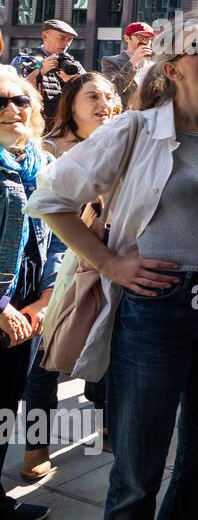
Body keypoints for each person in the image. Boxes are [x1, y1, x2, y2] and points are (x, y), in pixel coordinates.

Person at [30, 18, 198, 520]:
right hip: (157, 307)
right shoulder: (134, 130)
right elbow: (52, 199)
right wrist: (110, 263)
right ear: (173, 67)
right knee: (140, 452)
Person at [18, 72, 120, 482]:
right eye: (92, 96)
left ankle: (111, 423)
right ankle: (35, 445)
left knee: (112, 346)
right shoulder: (48, 150)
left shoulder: (125, 146)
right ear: (72, 104)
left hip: (109, 267)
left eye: (110, 96)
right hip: (57, 271)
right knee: (46, 359)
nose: (105, 104)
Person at [0, 69, 67, 520]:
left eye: (21, 100)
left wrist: (44, 299)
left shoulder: (41, 165)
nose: (11, 109)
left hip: (26, 308)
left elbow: (57, 241)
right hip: (4, 308)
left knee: (5, 404)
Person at [10, 20, 85, 122]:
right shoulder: (25, 60)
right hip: (33, 121)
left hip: (64, 124)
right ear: (44, 36)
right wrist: (40, 72)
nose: (66, 44)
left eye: (70, 40)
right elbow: (13, 92)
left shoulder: (73, 65)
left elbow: (89, 92)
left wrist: (73, 82)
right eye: (62, 38)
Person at [100, 22, 156, 104]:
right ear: (127, 38)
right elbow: (113, 90)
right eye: (140, 37)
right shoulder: (111, 61)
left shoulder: (154, 65)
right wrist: (133, 61)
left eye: (148, 38)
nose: (145, 41)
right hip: (126, 114)